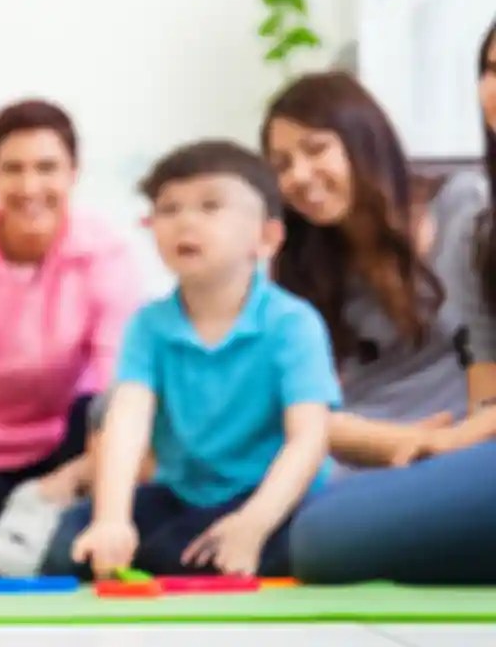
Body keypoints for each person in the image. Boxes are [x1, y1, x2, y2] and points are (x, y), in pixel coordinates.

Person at [41, 141, 339, 579]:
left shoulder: (292, 323)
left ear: (267, 237)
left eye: (210, 206)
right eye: (169, 209)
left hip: (274, 503)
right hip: (183, 499)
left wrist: (253, 526)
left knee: (313, 541)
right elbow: (127, 422)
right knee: (71, 540)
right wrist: (112, 519)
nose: (186, 222)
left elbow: (308, 439)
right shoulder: (149, 325)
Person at [282, 31, 496, 584]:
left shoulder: (466, 210)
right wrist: (417, 445)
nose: (299, 176)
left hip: (441, 451)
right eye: (281, 164)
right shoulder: (299, 268)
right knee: (311, 526)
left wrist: (444, 442)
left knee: (318, 537)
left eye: (315, 149)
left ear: (363, 138)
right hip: (393, 458)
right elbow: (487, 392)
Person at [0, 99, 141, 572]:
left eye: (47, 168)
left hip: (72, 453)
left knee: (103, 411)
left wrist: (71, 483)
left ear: (74, 172)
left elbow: (118, 393)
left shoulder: (105, 255)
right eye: (13, 169)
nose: (30, 186)